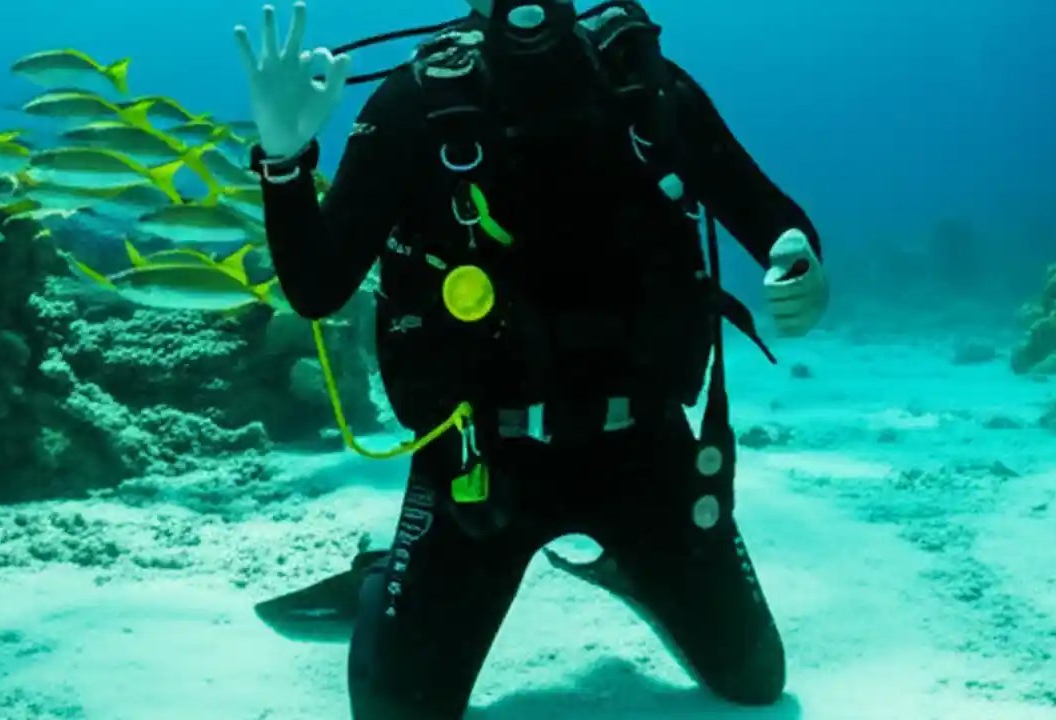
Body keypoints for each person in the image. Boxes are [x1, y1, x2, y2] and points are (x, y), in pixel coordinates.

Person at [232, 1, 829, 718]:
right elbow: (317, 287)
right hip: (477, 462)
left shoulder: (645, 87)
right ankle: (382, 583)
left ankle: (637, 569)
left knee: (754, 679)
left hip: (644, 451)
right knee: (400, 711)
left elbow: (768, 214)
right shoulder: (417, 101)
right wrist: (285, 159)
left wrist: (799, 259)